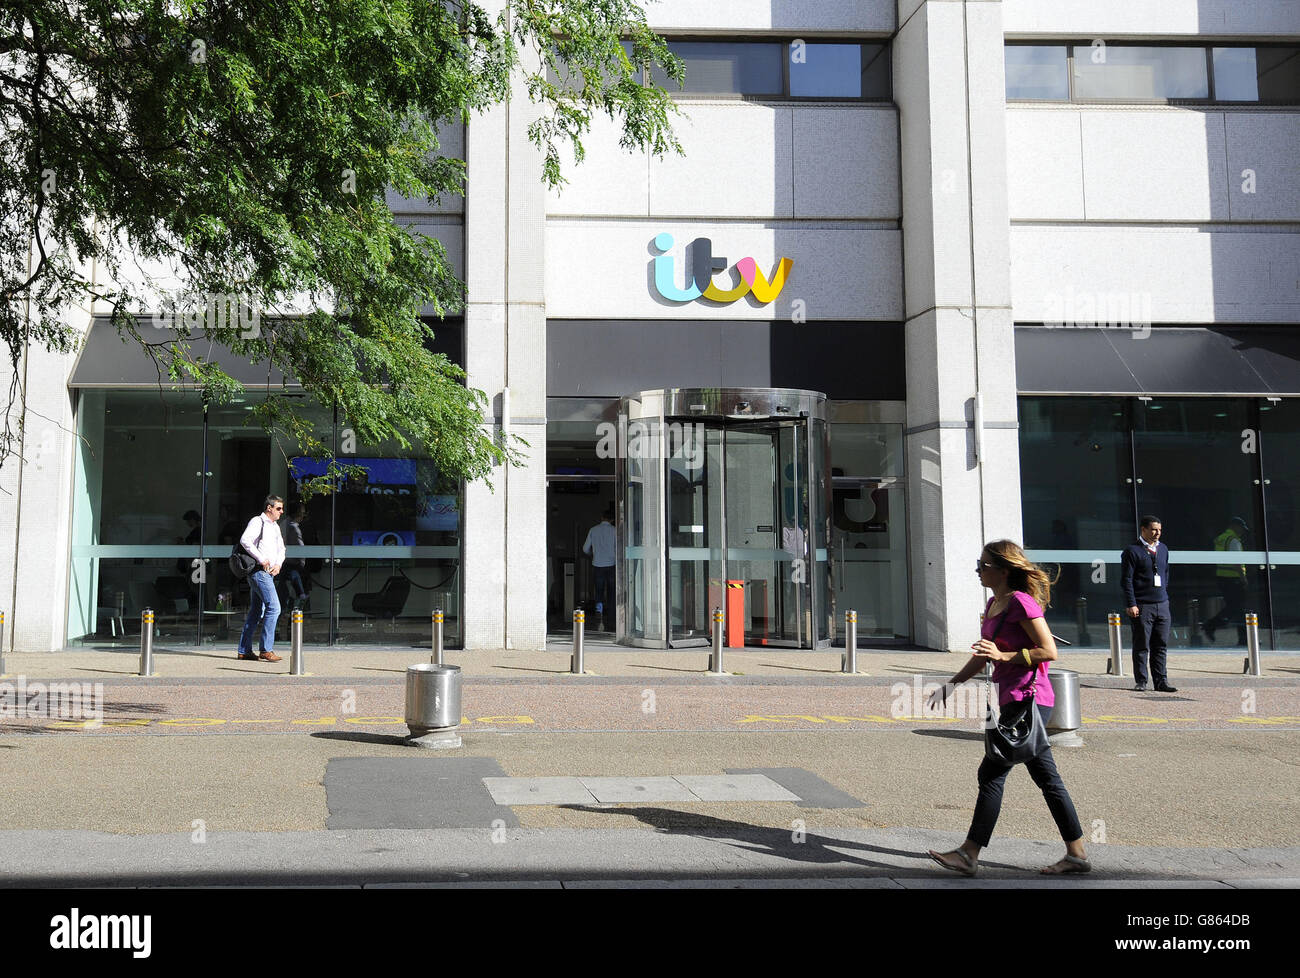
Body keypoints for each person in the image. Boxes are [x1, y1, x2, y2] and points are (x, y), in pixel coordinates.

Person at [926, 540, 1090, 877]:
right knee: (1047, 779)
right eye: (978, 563)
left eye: (983, 564)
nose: (978, 570)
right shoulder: (994, 604)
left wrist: (1003, 657)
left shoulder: (1022, 603)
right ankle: (1076, 854)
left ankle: (969, 854)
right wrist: (952, 684)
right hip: (1012, 699)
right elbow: (983, 654)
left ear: (1003, 569)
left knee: (992, 774)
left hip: (1029, 699)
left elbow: (1048, 651)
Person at [1120, 516, 1178, 692]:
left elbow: (1165, 573)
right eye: (1153, 529)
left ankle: (1161, 681)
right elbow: (1127, 580)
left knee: (1161, 644)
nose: (1157, 533)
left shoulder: (1164, 549)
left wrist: (1163, 595)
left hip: (1162, 603)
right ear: (1143, 529)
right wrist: (1132, 603)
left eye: (1159, 530)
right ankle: (1142, 681)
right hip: (1142, 605)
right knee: (1142, 644)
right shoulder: (1132, 551)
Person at [236, 494, 286, 662]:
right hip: (259, 571)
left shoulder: (275, 526)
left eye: (282, 508)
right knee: (274, 607)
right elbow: (245, 540)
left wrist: (278, 564)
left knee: (256, 612)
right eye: (278, 508)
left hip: (268, 573)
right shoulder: (258, 521)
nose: (281, 511)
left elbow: (281, 548)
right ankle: (266, 649)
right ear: (269, 508)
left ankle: (244, 650)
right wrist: (261, 558)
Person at [1205, 517, 1249, 645]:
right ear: (1235, 526)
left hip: (1222, 577)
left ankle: (1244, 639)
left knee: (1236, 608)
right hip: (1233, 578)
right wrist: (1243, 578)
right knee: (1237, 608)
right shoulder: (1233, 540)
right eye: (1241, 528)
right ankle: (1211, 625)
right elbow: (1236, 561)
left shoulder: (1221, 538)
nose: (1242, 531)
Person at [582, 505, 616, 632]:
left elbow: (585, 548)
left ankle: (599, 620)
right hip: (612, 566)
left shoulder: (593, 530)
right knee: (612, 594)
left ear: (602, 518)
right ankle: (612, 621)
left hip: (597, 566)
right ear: (612, 519)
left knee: (599, 594)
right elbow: (618, 549)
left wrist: (593, 555)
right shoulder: (614, 530)